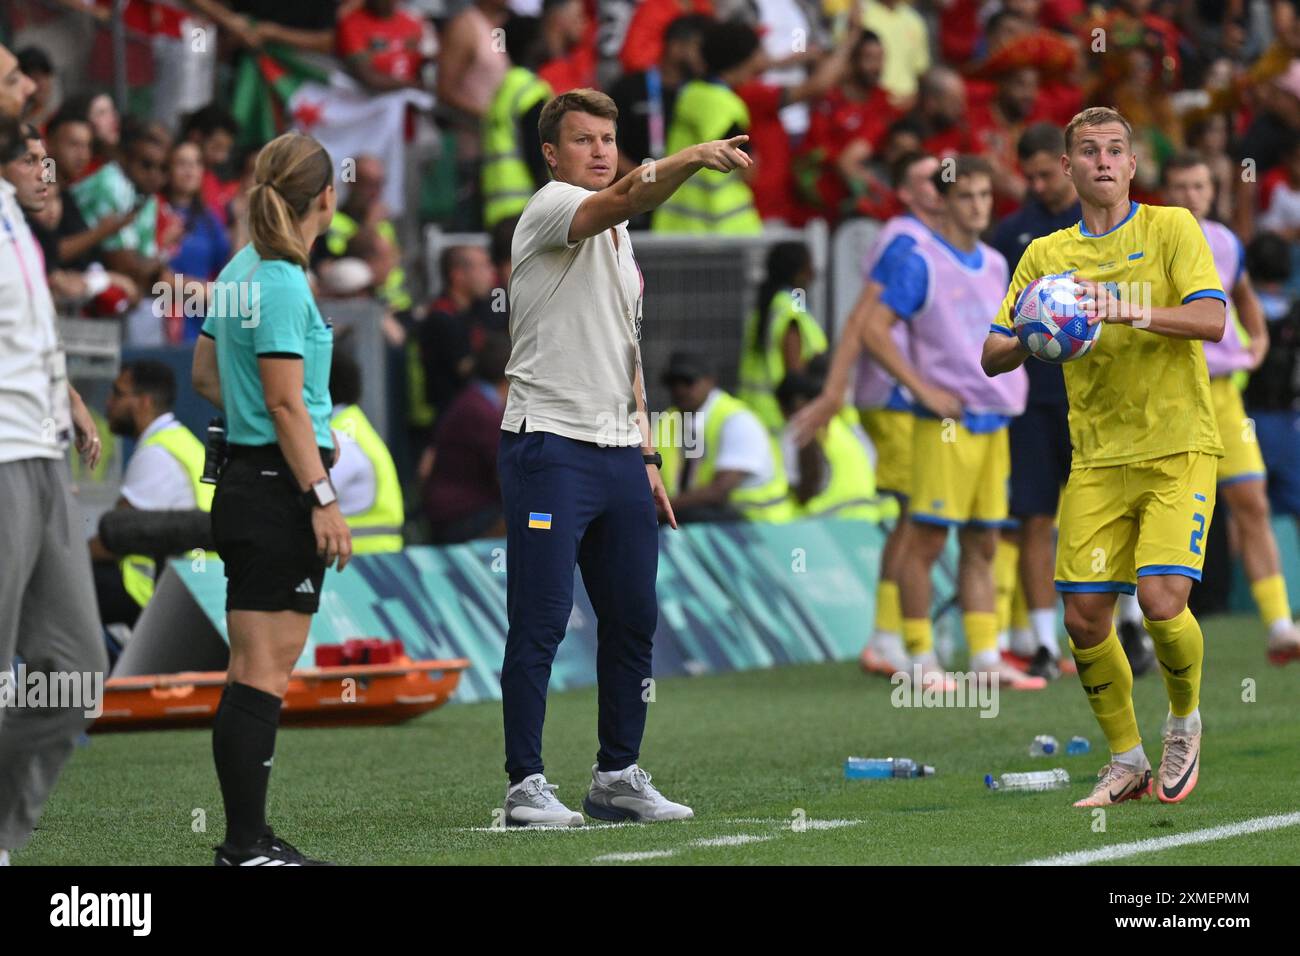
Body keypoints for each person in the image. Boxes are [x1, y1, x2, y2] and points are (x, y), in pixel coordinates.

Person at [498, 88, 748, 826]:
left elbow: (626, 353)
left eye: (608, 138)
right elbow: (622, 199)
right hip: (547, 445)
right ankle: (524, 787)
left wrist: (645, 454)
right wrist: (696, 158)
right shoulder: (549, 205)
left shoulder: (620, 237)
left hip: (615, 456)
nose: (601, 151)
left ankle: (617, 776)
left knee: (634, 618)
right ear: (552, 153)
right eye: (584, 140)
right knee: (541, 621)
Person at [983, 107, 1230, 807]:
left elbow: (1212, 320)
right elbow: (993, 354)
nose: (1101, 160)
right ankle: (1126, 760)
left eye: (1114, 150)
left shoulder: (1172, 227)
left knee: (1159, 600)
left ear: (1130, 165)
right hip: (1096, 458)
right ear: (1066, 168)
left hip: (1177, 445)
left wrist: (1123, 310)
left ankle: (1184, 719)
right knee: (1085, 617)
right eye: (1087, 151)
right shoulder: (1045, 256)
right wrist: (1042, 326)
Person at [191, 131, 351, 865]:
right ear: (326, 195)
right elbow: (286, 404)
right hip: (279, 490)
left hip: (248, 481)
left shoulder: (240, 268)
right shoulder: (284, 280)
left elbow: (206, 375)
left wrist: (285, 421)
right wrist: (319, 490)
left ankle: (245, 841)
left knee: (249, 668)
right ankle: (247, 846)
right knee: (262, 672)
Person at [858, 154, 1039, 692]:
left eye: (986, 196)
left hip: (995, 417)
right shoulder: (922, 261)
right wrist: (923, 390)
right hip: (945, 423)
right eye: (967, 196)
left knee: (984, 542)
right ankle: (920, 660)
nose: (979, 207)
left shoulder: (994, 262)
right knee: (927, 540)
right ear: (943, 201)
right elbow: (873, 329)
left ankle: (985, 659)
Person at [0, 104, 107, 869]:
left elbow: (31, 335)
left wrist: (65, 400)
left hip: (40, 461)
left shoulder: (19, 231)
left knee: (75, 674)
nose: (48, 170)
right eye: (32, 157)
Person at [789, 151, 945, 679]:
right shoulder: (905, 239)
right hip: (897, 395)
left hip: (902, 394)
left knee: (912, 514)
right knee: (914, 515)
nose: (944, 182)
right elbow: (861, 318)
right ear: (905, 191)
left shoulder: (919, 239)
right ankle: (887, 638)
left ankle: (889, 636)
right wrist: (836, 388)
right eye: (930, 176)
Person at [1163, 152, 1300, 661]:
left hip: (1222, 395)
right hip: (1171, 393)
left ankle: (1280, 625)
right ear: (1165, 191)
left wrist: (1259, 338)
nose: (1190, 196)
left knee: (1253, 503)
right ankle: (1137, 623)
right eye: (1179, 187)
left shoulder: (1224, 240)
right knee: (1158, 513)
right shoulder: (1149, 239)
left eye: (1199, 186)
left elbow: (1241, 293)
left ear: (1212, 190)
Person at [988, 122, 1085, 680]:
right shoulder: (1013, 234)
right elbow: (999, 323)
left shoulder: (1096, 227)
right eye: (1029, 176)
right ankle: (1045, 644)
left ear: (1066, 165)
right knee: (1034, 519)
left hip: (1092, 398)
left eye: (1047, 174)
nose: (1038, 185)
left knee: (1103, 519)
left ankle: (1123, 629)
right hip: (1033, 401)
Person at [90, 360, 212, 625]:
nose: (108, 403)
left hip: (161, 595)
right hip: (201, 586)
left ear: (144, 402)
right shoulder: (181, 442)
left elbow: (112, 541)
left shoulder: (158, 454)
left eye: (117, 394)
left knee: (69, 581)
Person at [656, 351, 795, 523]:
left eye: (688, 381)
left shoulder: (736, 419)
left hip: (761, 524)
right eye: (672, 383)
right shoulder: (668, 421)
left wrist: (661, 510)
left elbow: (719, 491)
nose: (680, 389)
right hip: (708, 521)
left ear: (710, 381)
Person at [651, 19, 761, 234]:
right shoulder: (725, 105)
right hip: (720, 228)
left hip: (676, 224)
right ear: (742, 61)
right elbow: (750, 170)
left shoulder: (689, 93)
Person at [423, 331, 510, 543]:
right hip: (462, 517)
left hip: (450, 511)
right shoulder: (483, 412)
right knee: (536, 520)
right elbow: (506, 474)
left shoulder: (471, 399)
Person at [737, 240, 827, 432]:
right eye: (808, 266)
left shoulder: (770, 304)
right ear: (798, 273)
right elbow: (794, 370)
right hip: (781, 416)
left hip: (756, 412)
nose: (813, 273)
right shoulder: (790, 311)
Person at [776, 366, 880, 521]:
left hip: (825, 527)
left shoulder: (798, 429)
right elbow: (872, 459)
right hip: (868, 522)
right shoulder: (844, 425)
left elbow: (807, 484)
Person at [481, 16, 553, 231]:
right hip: (527, 207)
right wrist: (552, 200)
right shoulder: (529, 90)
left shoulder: (504, 88)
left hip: (498, 208)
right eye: (543, 37)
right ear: (532, 45)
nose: (547, 42)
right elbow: (536, 152)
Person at [328, 351, 404, 554]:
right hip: (375, 560)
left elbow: (315, 495)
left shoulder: (340, 435)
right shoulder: (352, 424)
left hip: (358, 562)